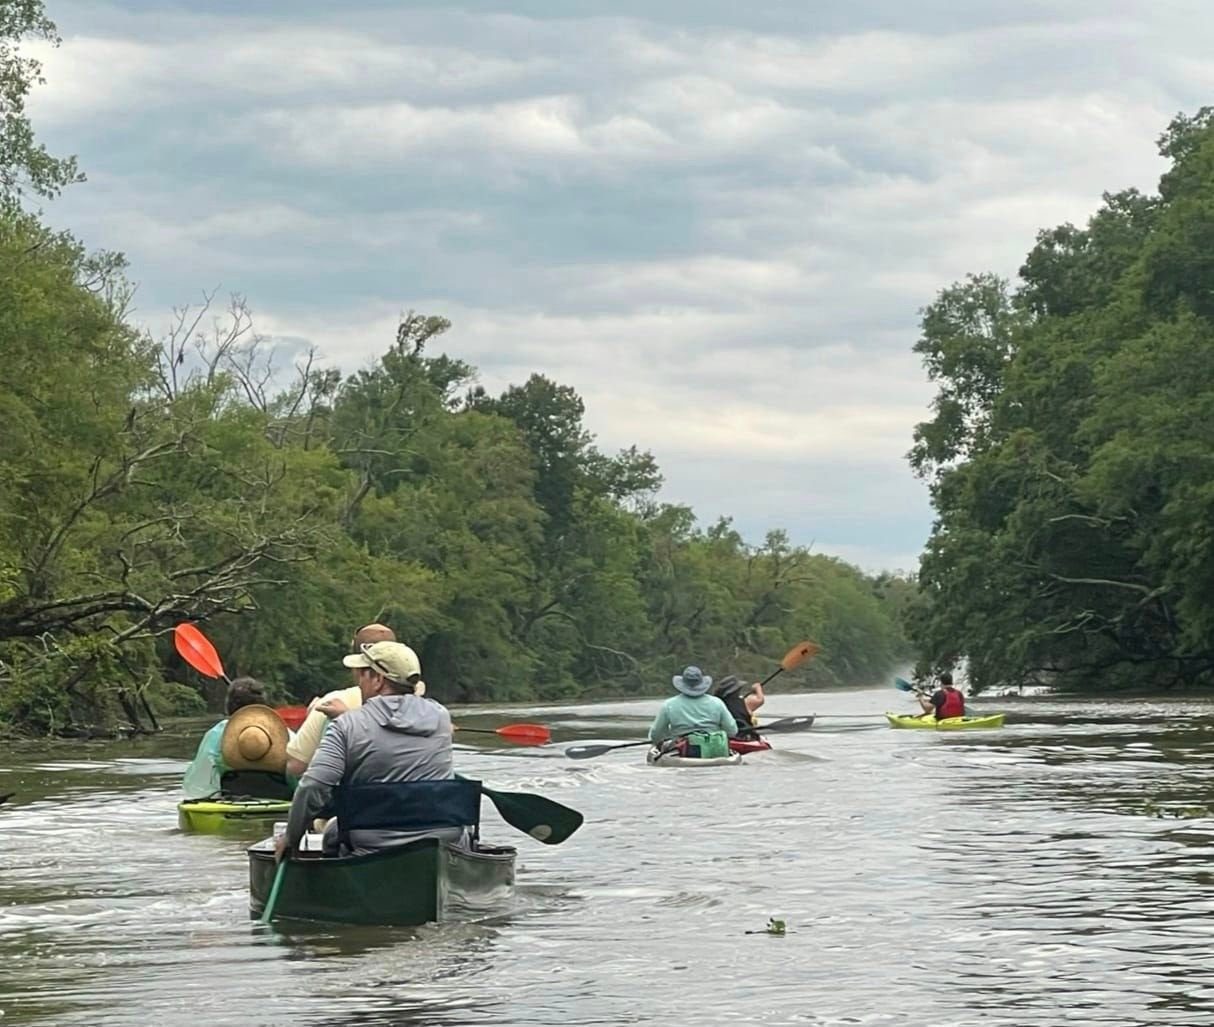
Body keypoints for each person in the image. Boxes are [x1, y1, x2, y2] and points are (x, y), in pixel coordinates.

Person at [277, 641, 456, 859]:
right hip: (444, 837)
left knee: (332, 832)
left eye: (362, 674)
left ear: (378, 679)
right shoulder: (441, 717)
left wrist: (290, 838)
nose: (358, 681)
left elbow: (313, 787)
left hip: (374, 844)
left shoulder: (346, 725)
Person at [284, 622, 398, 778]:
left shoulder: (332, 702)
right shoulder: (427, 712)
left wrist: (313, 721)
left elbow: (295, 767)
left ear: (357, 669)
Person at [182, 677, 292, 799]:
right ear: (263, 708)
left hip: (229, 801)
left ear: (229, 707)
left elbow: (197, 787)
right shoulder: (284, 733)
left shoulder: (216, 734)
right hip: (279, 801)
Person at [648, 665, 738, 758]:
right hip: (713, 747)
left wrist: (658, 743)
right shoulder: (717, 703)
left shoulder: (669, 704)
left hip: (682, 748)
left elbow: (656, 733)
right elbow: (732, 730)